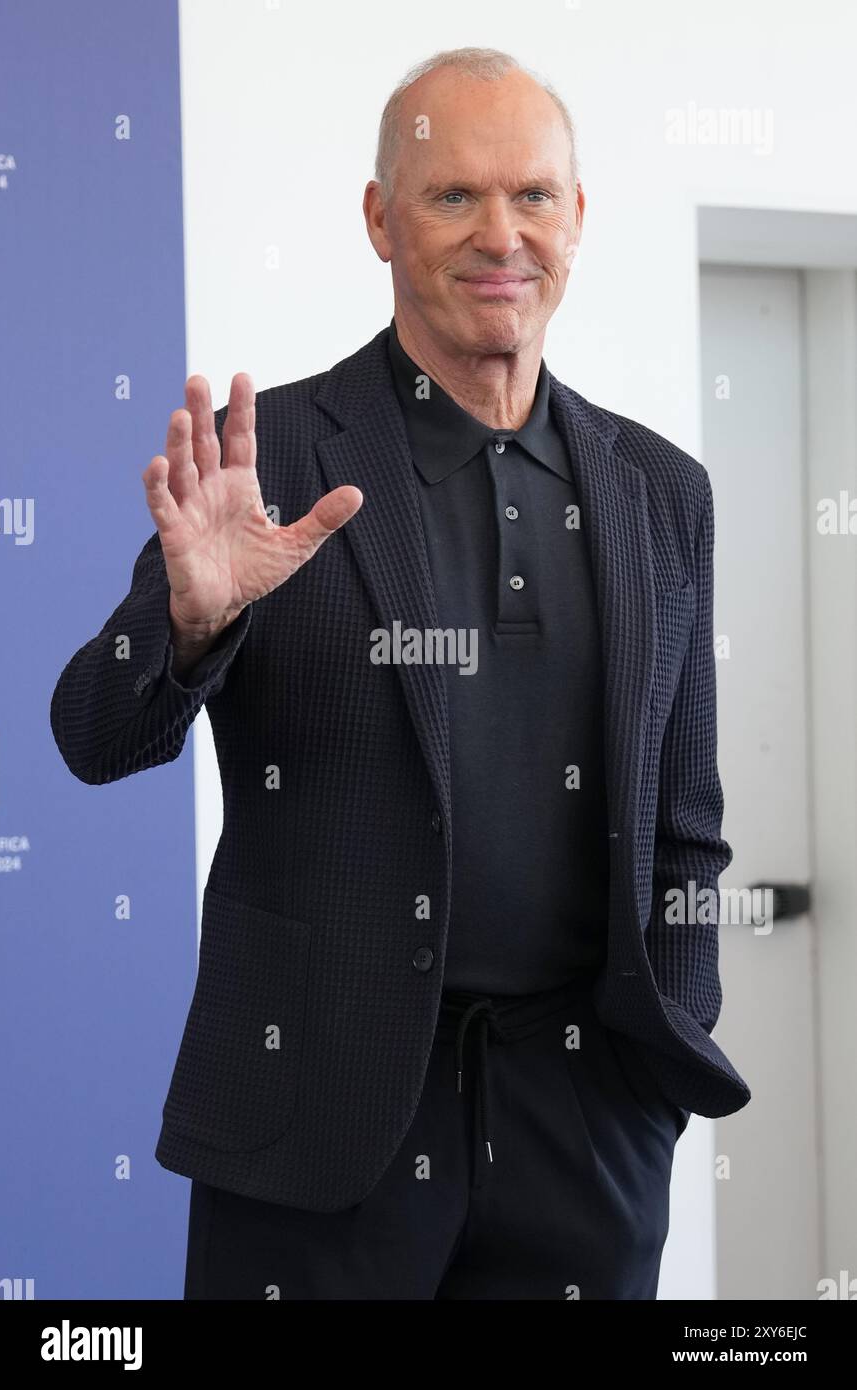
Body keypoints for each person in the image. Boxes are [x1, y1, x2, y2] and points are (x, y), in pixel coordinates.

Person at [50, 46, 750, 1300]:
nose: (501, 234)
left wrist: (659, 1062)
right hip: (316, 1121)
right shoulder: (266, 466)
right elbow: (93, 733)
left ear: (577, 219)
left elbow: (684, 825)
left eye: (532, 195)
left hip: (582, 1128)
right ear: (380, 219)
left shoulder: (660, 494)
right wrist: (190, 624)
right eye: (452, 196)